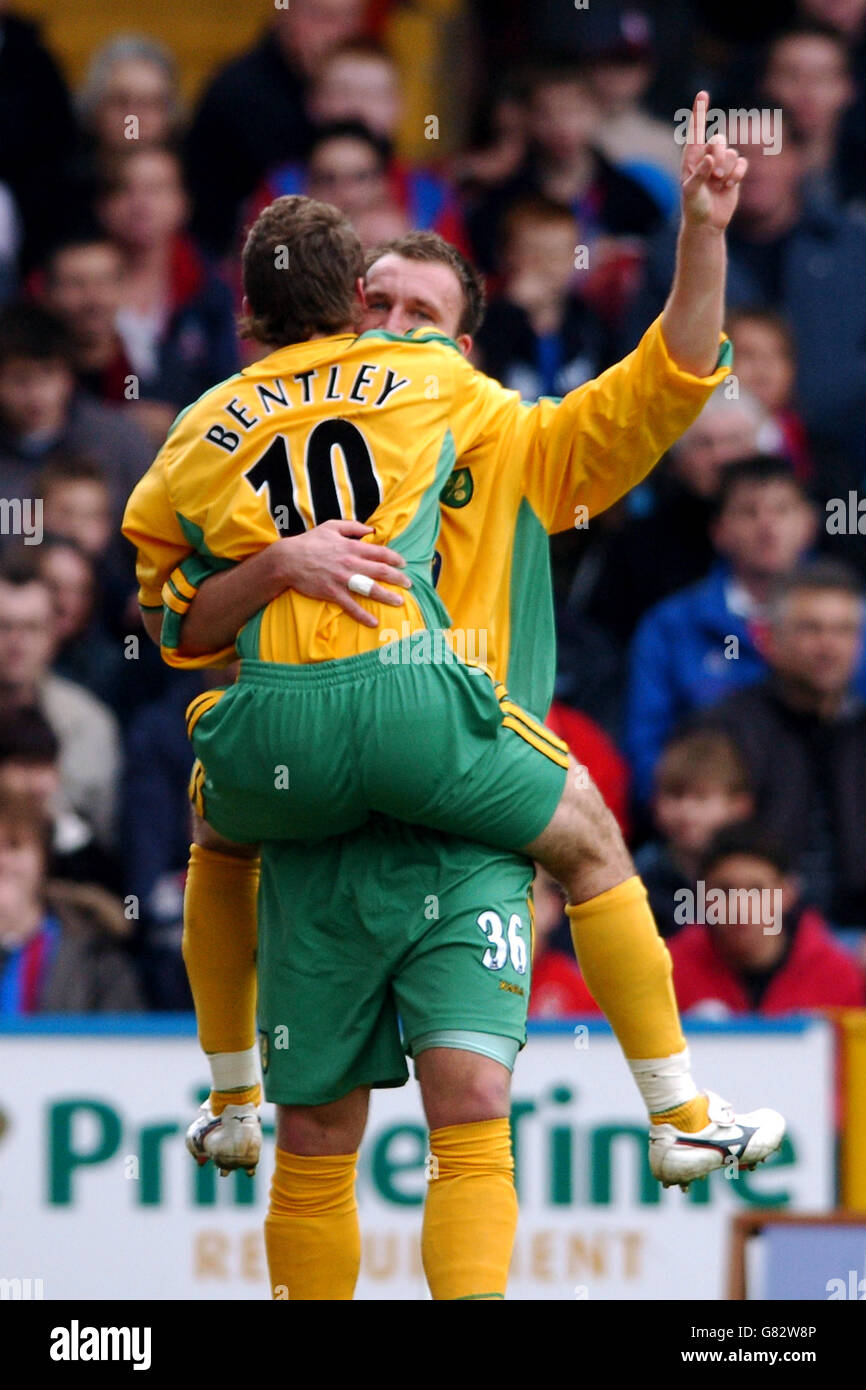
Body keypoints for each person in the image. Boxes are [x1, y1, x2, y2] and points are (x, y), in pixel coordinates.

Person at [126, 102, 783, 1298]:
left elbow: (666, 377)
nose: (384, 331)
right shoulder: (282, 438)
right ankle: (672, 1106)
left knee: (470, 1097)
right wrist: (272, 566)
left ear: (463, 353)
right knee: (316, 1133)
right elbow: (177, 611)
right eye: (368, 306)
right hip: (320, 810)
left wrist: (700, 234)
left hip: (464, 826)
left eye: (416, 316)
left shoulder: (521, 448)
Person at [625, 455, 819, 803]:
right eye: (748, 512)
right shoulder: (670, 626)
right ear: (719, 532)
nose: (767, 526)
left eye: (782, 509)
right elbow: (644, 748)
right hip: (704, 831)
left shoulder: (851, 619)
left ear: (809, 524)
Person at [697, 561, 866, 934]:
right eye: (811, 628)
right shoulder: (726, 729)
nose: (829, 646)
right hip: (755, 931)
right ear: (769, 637)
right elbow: (702, 847)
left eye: (844, 630)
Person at [184, 0, 368, 256]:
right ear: (283, 14)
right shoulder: (241, 94)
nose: (336, 33)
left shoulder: (355, 89)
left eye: (348, 19)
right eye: (321, 16)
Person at [251, 40, 468, 252]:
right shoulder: (279, 189)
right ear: (313, 102)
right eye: (342, 91)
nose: (357, 106)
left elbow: (457, 282)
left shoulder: (429, 195)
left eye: (373, 94)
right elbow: (252, 280)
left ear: (398, 106)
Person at [95, 146, 240, 440]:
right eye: (125, 189)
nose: (141, 204)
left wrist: (178, 422)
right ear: (103, 205)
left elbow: (230, 387)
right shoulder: (69, 285)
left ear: (183, 203)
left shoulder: (213, 289)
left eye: (156, 189)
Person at [669, 822, 866, 1014]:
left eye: (757, 890)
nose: (741, 907)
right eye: (725, 891)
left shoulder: (835, 975)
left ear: (788, 893)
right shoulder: (669, 971)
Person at [0, 551, 121, 849]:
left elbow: (99, 834)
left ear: (54, 633)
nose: (16, 643)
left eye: (30, 628)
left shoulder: (90, 724)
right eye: (3, 627)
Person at [0, 302, 152, 531]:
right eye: (20, 379)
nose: (36, 394)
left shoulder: (120, 441)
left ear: (69, 376)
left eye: (48, 374)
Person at [0, 791, 143, 1014]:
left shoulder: (97, 954)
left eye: (14, 846)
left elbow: (126, 1039)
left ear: (43, 860)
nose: (3, 861)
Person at [475, 197, 613, 398]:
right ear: (506, 255)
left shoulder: (588, 321)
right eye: (534, 254)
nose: (547, 266)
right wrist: (511, 309)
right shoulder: (487, 320)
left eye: (558, 255)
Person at [635, 729, 755, 939]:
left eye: (701, 798)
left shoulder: (757, 872)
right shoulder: (640, 875)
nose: (686, 812)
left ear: (738, 805)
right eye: (675, 795)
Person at [0, 705, 121, 892]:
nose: (38, 785)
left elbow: (121, 910)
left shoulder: (81, 850)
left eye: (47, 767)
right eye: (25, 766)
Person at [527, 866, 586, 1018]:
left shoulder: (571, 984)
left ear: (551, 906)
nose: (514, 916)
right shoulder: (478, 978)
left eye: (527, 901)